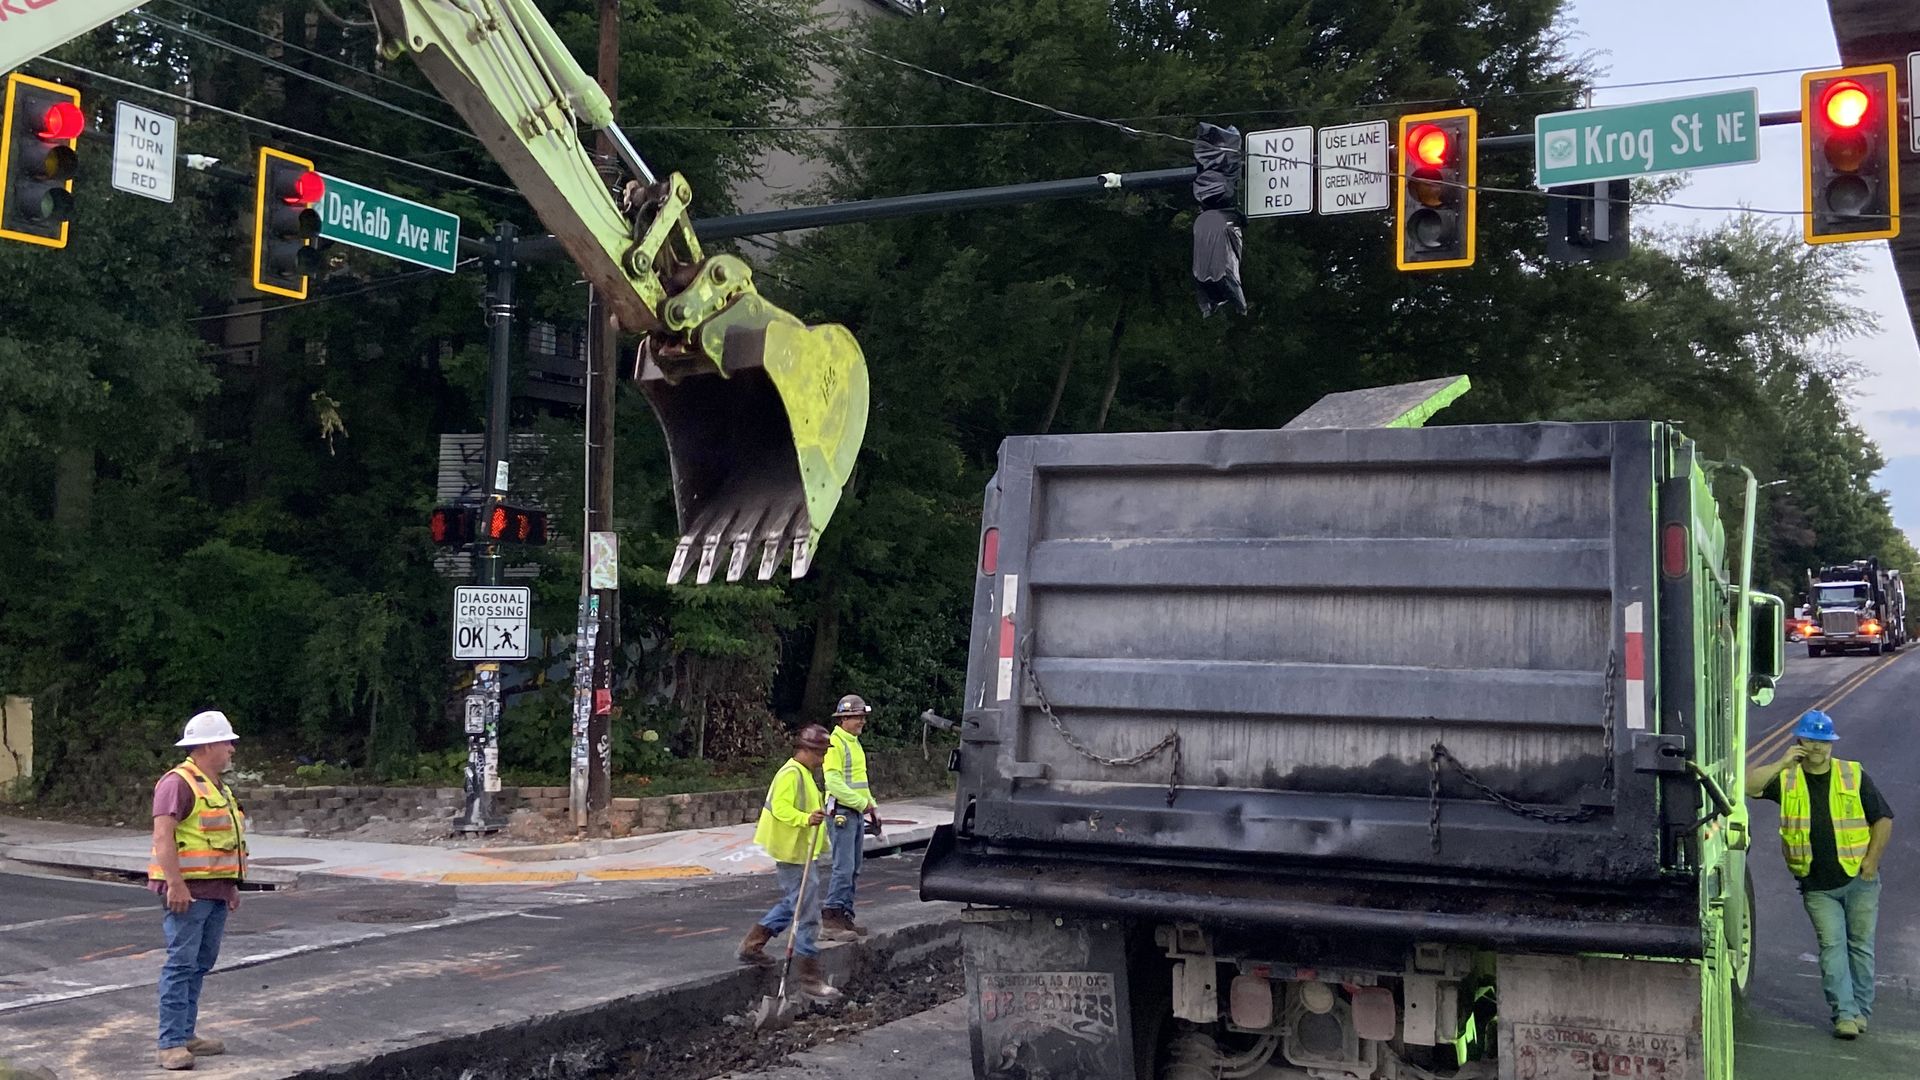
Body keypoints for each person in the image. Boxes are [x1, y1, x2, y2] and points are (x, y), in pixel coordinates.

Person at [1747, 709, 1894, 1040]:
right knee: (1832, 946)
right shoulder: (1788, 779)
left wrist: (1870, 864)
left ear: (1831, 743)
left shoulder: (1852, 775)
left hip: (1860, 881)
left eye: (1823, 742)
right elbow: (1745, 785)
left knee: (1860, 946)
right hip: (1817, 886)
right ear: (1800, 741)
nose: (1818, 748)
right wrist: (1782, 763)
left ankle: (1860, 1010)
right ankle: (1844, 1013)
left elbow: (1883, 819)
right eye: (1812, 741)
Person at [148, 710, 248, 1070]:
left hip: (214, 892)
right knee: (181, 964)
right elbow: (164, 836)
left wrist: (230, 887)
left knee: (200, 964)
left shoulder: (217, 787)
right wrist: (175, 883)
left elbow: (224, 842)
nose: (232, 749)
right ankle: (171, 1042)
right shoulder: (177, 783)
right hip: (187, 893)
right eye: (226, 742)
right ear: (208, 745)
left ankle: (186, 1035)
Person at [736, 724, 841, 1002]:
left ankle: (752, 944)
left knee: (796, 903)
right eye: (819, 754)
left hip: (799, 851)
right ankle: (809, 978)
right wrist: (805, 819)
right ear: (805, 750)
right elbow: (781, 809)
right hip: (791, 852)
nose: (821, 760)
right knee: (806, 914)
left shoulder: (802, 773)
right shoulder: (791, 774)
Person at [822, 693, 880, 940]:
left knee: (854, 867)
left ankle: (845, 915)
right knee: (843, 868)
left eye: (862, 717)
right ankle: (831, 920)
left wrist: (872, 806)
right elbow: (833, 782)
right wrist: (861, 803)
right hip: (842, 814)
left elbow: (860, 780)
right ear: (844, 718)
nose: (862, 722)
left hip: (854, 812)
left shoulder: (853, 742)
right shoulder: (835, 744)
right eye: (857, 717)